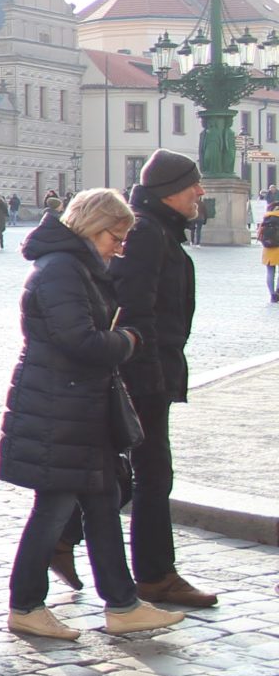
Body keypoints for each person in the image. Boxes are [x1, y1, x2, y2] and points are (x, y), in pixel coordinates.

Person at [0, 191, 184, 638]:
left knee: (102, 502)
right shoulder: (62, 268)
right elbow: (81, 341)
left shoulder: (75, 264)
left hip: (80, 404)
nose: (119, 248)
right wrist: (130, 341)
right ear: (92, 227)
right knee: (54, 507)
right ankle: (25, 605)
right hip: (60, 405)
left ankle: (121, 604)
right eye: (115, 237)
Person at [108, 150, 216, 609]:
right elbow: (136, 309)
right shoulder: (149, 233)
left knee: (136, 471)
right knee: (152, 474)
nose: (201, 192)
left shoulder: (159, 231)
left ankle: (62, 536)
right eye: (194, 184)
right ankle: (154, 575)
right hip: (144, 373)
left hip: (152, 368)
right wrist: (150, 374)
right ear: (171, 190)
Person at [261, 194, 279, 303]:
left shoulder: (266, 217)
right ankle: (278, 291)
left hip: (268, 248)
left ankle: (272, 294)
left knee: (270, 272)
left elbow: (260, 233)